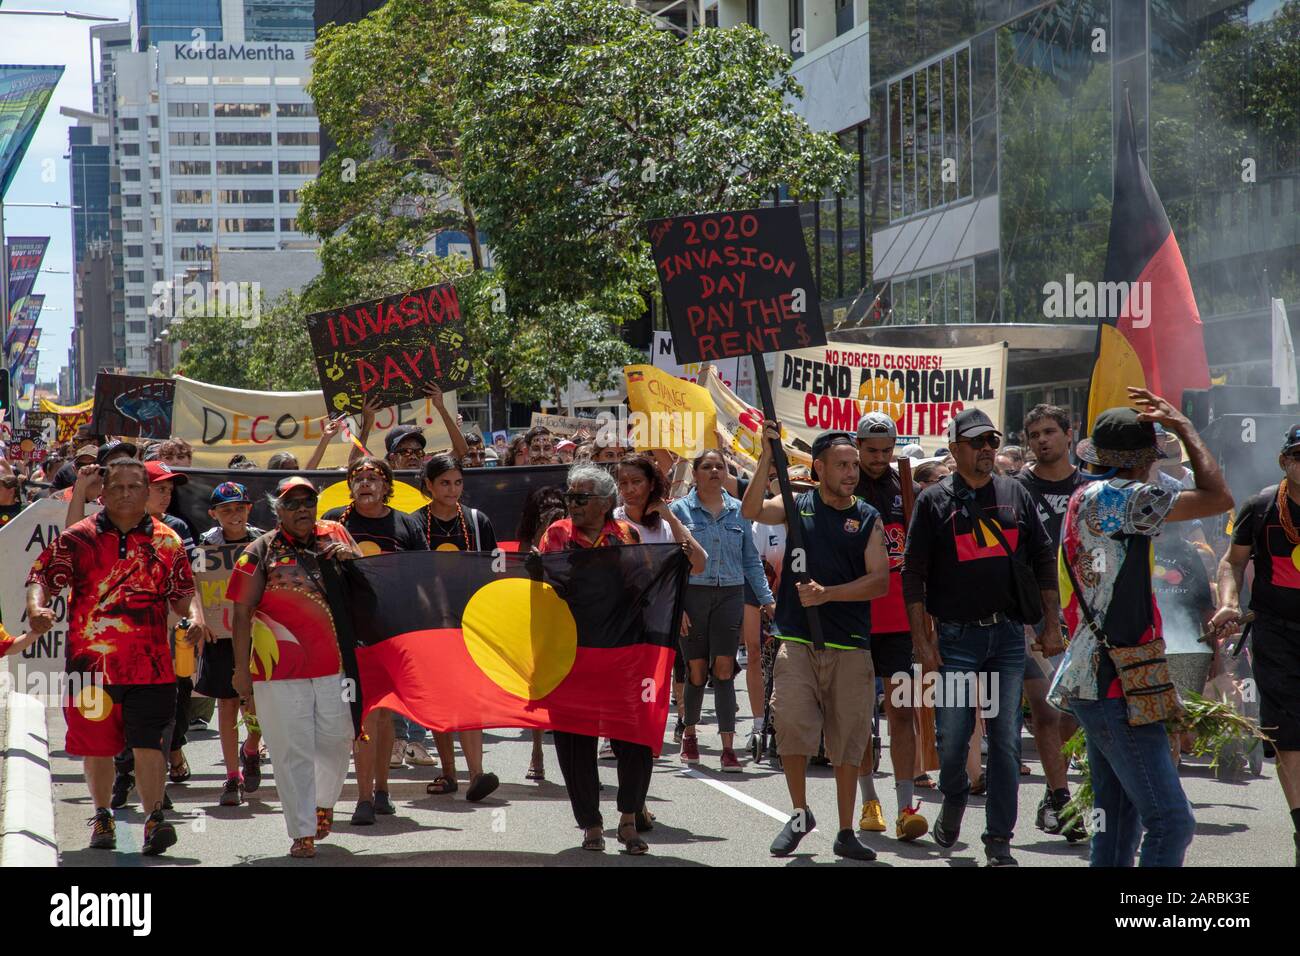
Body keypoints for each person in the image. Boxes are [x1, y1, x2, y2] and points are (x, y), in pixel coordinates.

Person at [1055, 390, 1231, 867]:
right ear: (1144, 462)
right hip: (1116, 685)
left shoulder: (1086, 495)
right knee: (1172, 823)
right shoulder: (1121, 499)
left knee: (1113, 826)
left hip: (1099, 678)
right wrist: (1186, 428)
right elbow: (1219, 497)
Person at [25, 458, 213, 856]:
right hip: (89, 668)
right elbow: (42, 577)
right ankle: (103, 813)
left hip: (152, 667)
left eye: (135, 486)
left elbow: (183, 590)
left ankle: (154, 818)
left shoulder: (167, 541)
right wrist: (37, 608)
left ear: (148, 493)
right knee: (97, 746)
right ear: (104, 493)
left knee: (149, 744)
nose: (126, 493)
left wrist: (195, 617)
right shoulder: (79, 538)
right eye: (118, 487)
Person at [901, 407, 1062, 867]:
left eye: (992, 441)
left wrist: (1050, 625)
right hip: (955, 640)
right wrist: (922, 642)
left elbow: (1043, 559)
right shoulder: (934, 500)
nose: (987, 450)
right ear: (955, 449)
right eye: (977, 442)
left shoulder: (1016, 492)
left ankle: (998, 841)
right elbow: (913, 573)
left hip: (1010, 637)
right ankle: (953, 798)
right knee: (953, 739)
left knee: (1007, 742)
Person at [742, 425, 890, 861]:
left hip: (849, 644)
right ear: (818, 467)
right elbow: (751, 509)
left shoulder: (867, 517)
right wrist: (769, 457)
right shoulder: (795, 505)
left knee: (847, 738)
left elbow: (879, 581)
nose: (851, 472)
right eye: (842, 465)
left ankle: (846, 829)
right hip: (795, 638)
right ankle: (800, 813)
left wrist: (830, 594)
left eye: (854, 465)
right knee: (789, 725)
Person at [228, 476, 363, 858]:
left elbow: (367, 587)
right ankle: (302, 831)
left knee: (338, 740)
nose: (303, 509)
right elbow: (240, 614)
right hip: (277, 671)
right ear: (278, 511)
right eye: (293, 503)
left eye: (308, 502)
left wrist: (349, 561)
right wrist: (241, 671)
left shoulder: (335, 537)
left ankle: (322, 802)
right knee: (292, 750)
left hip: (335, 665)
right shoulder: (258, 551)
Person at [538, 462, 654, 853]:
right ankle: (590, 823)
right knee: (574, 742)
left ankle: (627, 818)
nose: (572, 503)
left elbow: (644, 587)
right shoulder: (555, 535)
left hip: (622, 653)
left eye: (581, 497)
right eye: (570, 496)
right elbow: (540, 592)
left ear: (606, 503)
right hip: (570, 655)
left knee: (635, 737)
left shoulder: (627, 535)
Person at [1211, 423, 1300, 866]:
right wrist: (1229, 603)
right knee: (1287, 732)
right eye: (1299, 456)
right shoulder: (1262, 505)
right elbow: (1232, 561)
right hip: (1276, 631)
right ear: (1285, 461)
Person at [321, 457, 426, 824]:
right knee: (361, 714)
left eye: (373, 478)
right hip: (344, 629)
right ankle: (363, 798)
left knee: (383, 715)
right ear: (350, 486)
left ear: (386, 486)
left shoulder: (406, 523)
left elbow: (421, 576)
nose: (365, 483)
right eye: (358, 478)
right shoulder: (333, 522)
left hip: (388, 628)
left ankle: (382, 791)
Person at [670, 449, 774, 772]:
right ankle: (689, 733)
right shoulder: (679, 511)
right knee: (697, 670)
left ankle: (728, 747)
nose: (715, 471)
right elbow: (672, 564)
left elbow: (751, 561)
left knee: (725, 668)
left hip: (730, 594)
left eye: (720, 466)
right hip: (693, 598)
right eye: (708, 466)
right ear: (696, 474)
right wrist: (677, 608)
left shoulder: (739, 512)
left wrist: (767, 598)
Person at [852, 412, 929, 840]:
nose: (878, 459)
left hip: (898, 622)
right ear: (858, 446)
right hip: (854, 619)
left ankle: (905, 806)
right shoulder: (841, 488)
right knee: (860, 715)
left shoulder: (909, 492)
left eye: (885, 450)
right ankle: (869, 801)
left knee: (901, 711)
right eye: (871, 450)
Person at [412, 453, 502, 802]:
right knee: (439, 698)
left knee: (471, 697)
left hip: (472, 621)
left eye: (458, 482)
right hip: (429, 622)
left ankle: (477, 772)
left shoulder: (478, 521)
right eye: (445, 483)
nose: (453, 489)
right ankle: (448, 771)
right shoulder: (414, 524)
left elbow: (495, 568)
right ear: (429, 486)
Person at [1017, 403, 1088, 840]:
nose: (1042, 440)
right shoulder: (1016, 488)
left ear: (1069, 433)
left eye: (1049, 432)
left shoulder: (1090, 486)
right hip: (1033, 616)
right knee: (1046, 708)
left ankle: (1053, 789)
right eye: (1034, 435)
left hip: (1086, 615)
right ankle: (1062, 797)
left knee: (1078, 711)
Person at [195, 481, 267, 806]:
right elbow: (195, 584)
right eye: (226, 509)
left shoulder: (264, 542)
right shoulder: (203, 544)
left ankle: (252, 747)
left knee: (257, 704)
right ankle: (231, 777)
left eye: (239, 507)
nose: (234, 514)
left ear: (249, 509)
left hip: (260, 636)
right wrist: (202, 620)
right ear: (214, 513)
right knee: (226, 704)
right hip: (220, 636)